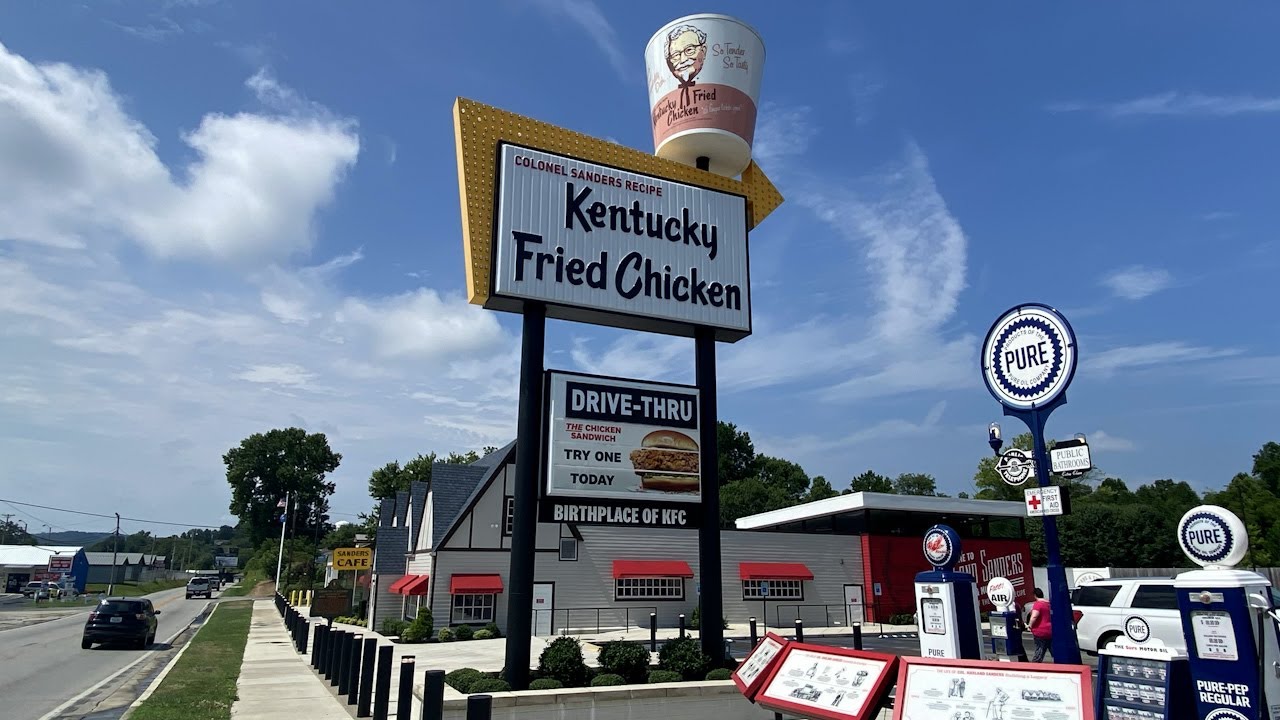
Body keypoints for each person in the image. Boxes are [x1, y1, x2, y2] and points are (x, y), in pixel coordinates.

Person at [1028, 588, 1053, 662]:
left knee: (1039, 650)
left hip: (1040, 631)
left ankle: (1035, 665)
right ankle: (1060, 664)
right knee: (1053, 649)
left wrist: (1030, 625)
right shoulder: (1049, 604)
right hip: (1050, 630)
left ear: (1035, 595)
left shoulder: (1038, 604)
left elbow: (1034, 616)